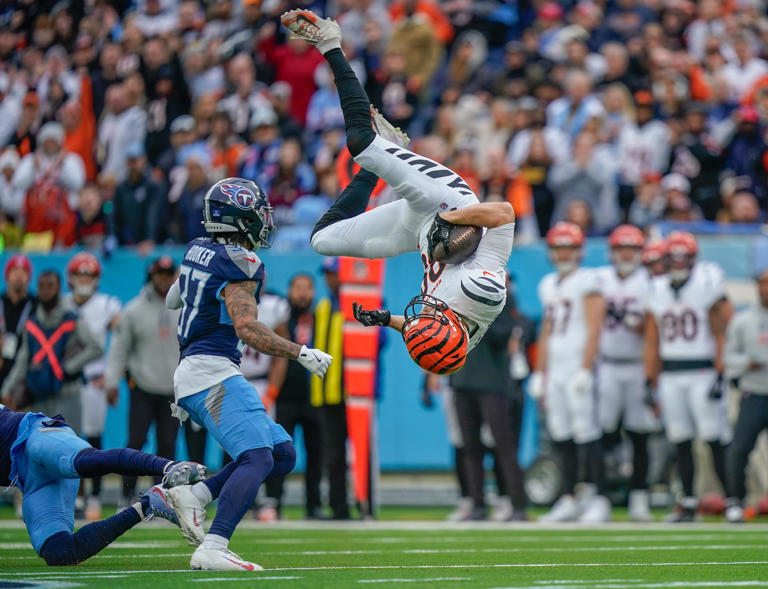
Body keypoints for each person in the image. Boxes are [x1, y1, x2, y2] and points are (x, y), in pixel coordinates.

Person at [281, 10, 515, 373]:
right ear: (453, 327)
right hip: (448, 202)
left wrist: (387, 318)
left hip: (422, 234)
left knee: (323, 240)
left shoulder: (450, 336)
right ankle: (329, 42)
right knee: (361, 142)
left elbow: (426, 329)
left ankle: (380, 157)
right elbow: (504, 214)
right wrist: (450, 217)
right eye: (433, 322)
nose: (424, 317)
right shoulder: (480, 291)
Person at [162, 177, 332, 571]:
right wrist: (300, 352)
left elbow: (174, 298)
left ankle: (200, 494)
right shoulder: (240, 262)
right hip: (210, 372)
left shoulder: (196, 249)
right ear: (238, 219)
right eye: (258, 215)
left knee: (281, 454)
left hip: (202, 369)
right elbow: (247, 329)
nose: (265, 223)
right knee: (256, 457)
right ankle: (213, 546)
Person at [0, 402, 205, 566]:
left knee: (88, 461)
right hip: (29, 479)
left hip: (32, 437)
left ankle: (171, 467)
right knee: (59, 553)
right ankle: (149, 504)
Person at [645, 231, 732, 522]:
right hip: (671, 373)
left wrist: (721, 372)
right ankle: (690, 502)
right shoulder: (656, 288)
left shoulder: (707, 284)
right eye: (674, 256)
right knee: (680, 439)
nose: (679, 262)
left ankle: (733, 498)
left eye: (685, 256)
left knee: (713, 437)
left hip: (702, 370)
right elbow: (652, 339)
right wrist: (650, 378)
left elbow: (721, 330)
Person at [530, 222, 610, 523]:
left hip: (578, 366)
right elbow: (547, 331)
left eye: (568, 248)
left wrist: (586, 368)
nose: (563, 254)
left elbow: (594, 328)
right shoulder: (548, 284)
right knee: (560, 433)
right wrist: (540, 372)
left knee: (585, 432)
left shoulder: (588, 281)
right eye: (559, 248)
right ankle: (568, 496)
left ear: (579, 251)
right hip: (557, 369)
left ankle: (596, 496)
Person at [593, 225, 660, 522]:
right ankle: (601, 498)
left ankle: (639, 497)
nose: (626, 254)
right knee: (603, 433)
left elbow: (653, 330)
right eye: (621, 248)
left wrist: (634, 321)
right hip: (606, 363)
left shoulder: (650, 283)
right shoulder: (599, 279)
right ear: (612, 252)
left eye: (631, 249)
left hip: (636, 364)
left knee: (639, 434)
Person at [105, 256, 182, 504]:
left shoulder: (183, 308)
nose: (164, 279)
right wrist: (111, 381)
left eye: (168, 274)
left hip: (172, 389)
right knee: (135, 442)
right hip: (143, 386)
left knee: (167, 446)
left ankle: (162, 498)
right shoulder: (134, 310)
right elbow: (119, 348)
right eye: (159, 274)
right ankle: (127, 495)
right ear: (152, 276)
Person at [448, 293, 528, 521]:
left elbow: (503, 335)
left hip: (492, 381)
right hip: (461, 378)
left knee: (503, 444)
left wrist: (476, 314)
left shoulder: (499, 295)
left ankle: (517, 503)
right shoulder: (452, 293)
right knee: (469, 446)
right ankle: (477, 503)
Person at [0, 270, 102, 434]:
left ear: (59, 288)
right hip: (40, 395)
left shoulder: (72, 319)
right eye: (41, 287)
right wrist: (7, 389)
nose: (46, 291)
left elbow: (96, 348)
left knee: (69, 447)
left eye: (50, 286)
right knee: (40, 448)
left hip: (68, 393)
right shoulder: (32, 324)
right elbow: (22, 360)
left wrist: (69, 367)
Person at [63, 252, 122, 520]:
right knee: (67, 441)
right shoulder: (62, 304)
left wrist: (111, 376)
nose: (84, 280)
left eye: (89, 275)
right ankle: (74, 496)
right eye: (80, 274)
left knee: (93, 441)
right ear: (71, 278)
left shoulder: (107, 304)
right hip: (65, 382)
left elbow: (122, 341)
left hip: (94, 380)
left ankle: (94, 495)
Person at [263, 273, 325, 520]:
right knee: (279, 452)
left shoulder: (321, 318)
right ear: (289, 290)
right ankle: (273, 502)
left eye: (307, 288)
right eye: (297, 288)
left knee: (316, 455)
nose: (302, 293)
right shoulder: (280, 318)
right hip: (285, 397)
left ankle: (313, 505)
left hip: (315, 398)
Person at [723, 268, 768, 522]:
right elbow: (728, 358)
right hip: (754, 393)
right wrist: (747, 362)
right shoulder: (743, 321)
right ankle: (735, 501)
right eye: (763, 283)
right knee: (738, 450)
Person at [0, 255, 36, 390]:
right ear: (7, 275)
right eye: (15, 271)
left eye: (23, 272)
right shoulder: (0, 301)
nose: (19, 276)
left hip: (25, 372)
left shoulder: (36, 305)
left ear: (29, 277)